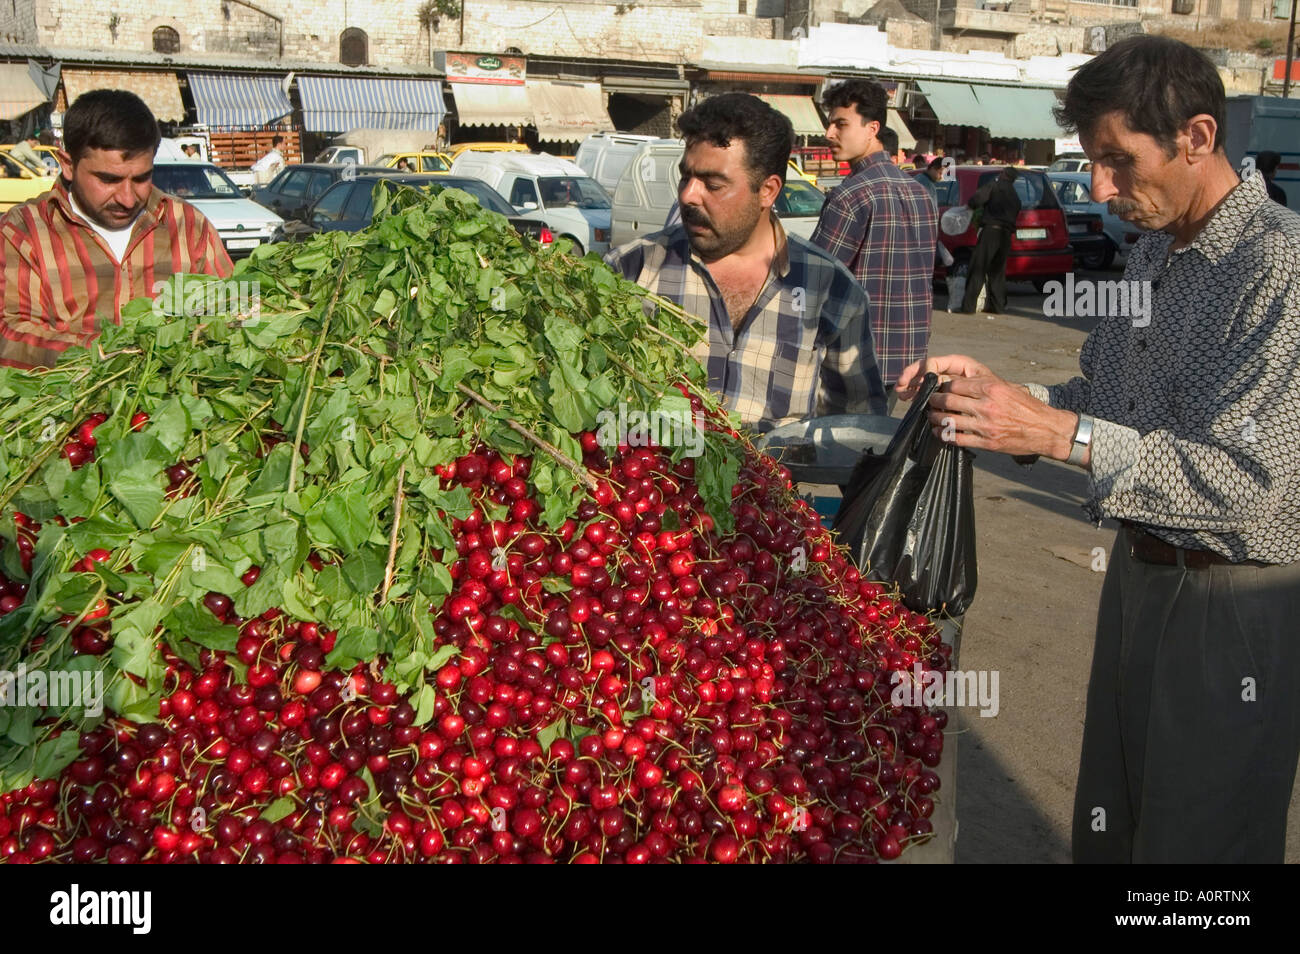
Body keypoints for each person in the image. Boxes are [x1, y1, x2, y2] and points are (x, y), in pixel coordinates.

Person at [897, 34, 1300, 864]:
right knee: (1113, 823)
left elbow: (1249, 483)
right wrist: (1004, 400)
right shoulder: (1151, 251)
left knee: (1199, 847)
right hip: (1138, 577)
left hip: (1237, 600)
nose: (1104, 189)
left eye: (1120, 162)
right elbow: (1103, 403)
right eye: (1094, 163)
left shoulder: (1279, 267)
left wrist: (1057, 434)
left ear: (1196, 136)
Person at [605, 92, 886, 432]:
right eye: (685, 177)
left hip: (775, 484)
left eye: (713, 184)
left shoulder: (831, 291)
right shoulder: (631, 271)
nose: (688, 195)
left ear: (768, 190)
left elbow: (859, 438)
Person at [0, 90, 233, 369]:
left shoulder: (188, 225)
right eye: (109, 179)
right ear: (68, 164)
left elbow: (231, 311)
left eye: (141, 178)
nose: (127, 197)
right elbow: (11, 334)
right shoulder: (24, 231)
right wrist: (109, 353)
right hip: (67, 408)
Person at [810, 78, 938, 409]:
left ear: (873, 128)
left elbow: (817, 279)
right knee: (876, 448)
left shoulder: (851, 195)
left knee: (839, 453)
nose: (829, 134)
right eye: (829, 124)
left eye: (841, 124)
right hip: (907, 357)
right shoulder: (921, 193)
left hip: (856, 357)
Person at [956, 165, 1021, 315]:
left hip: (991, 231)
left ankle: (968, 306)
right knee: (998, 271)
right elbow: (1017, 209)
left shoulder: (994, 186)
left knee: (978, 267)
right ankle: (997, 306)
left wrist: (973, 208)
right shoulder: (1015, 194)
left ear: (1004, 174)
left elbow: (975, 200)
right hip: (1006, 235)